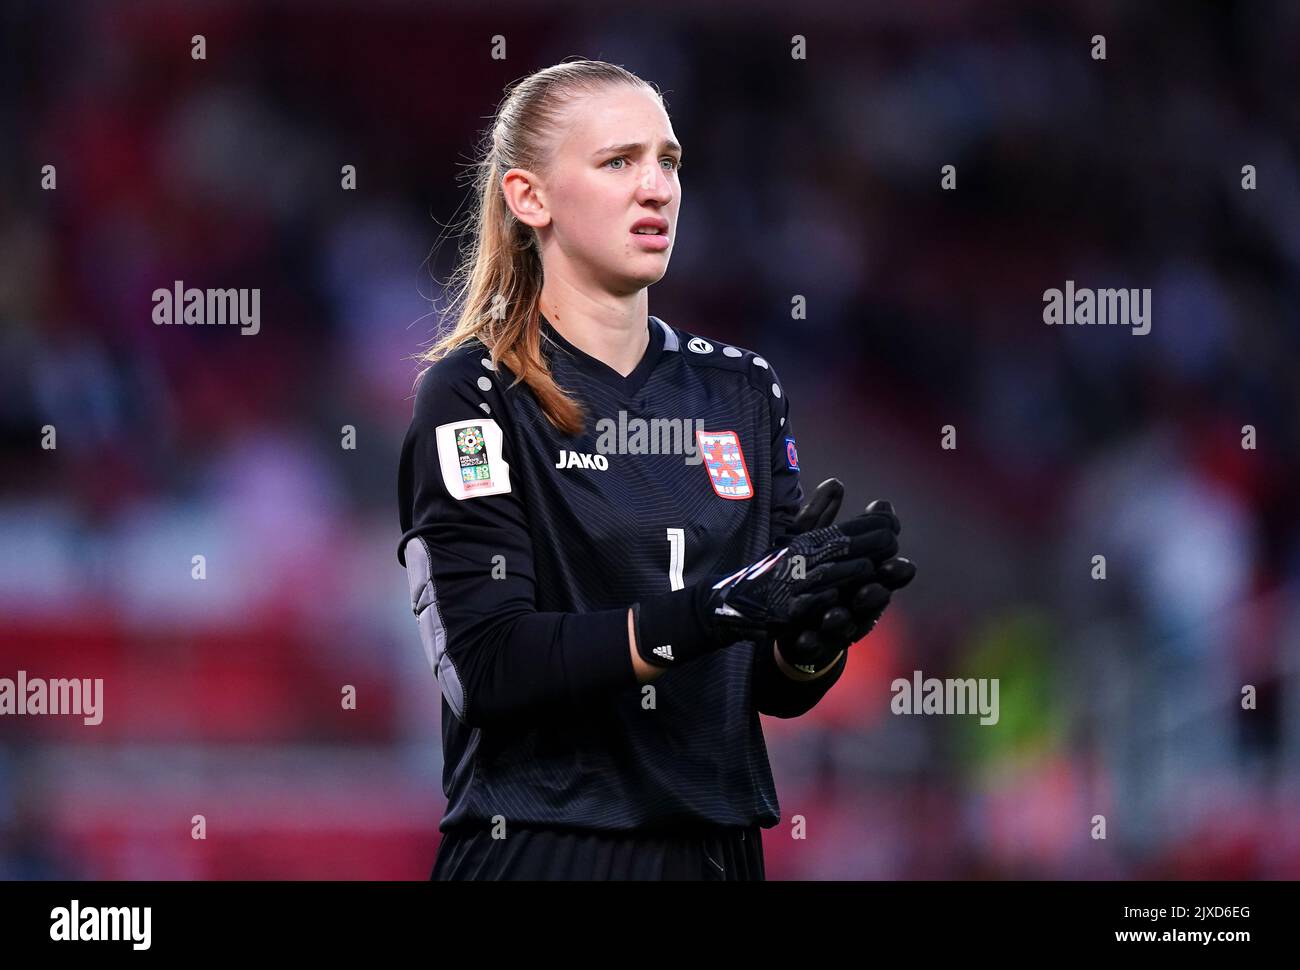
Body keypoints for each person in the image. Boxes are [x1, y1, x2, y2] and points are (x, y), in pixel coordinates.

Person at [397, 59, 915, 880]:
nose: (657, 188)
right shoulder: (473, 393)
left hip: (719, 849)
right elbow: (488, 667)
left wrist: (812, 639)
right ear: (529, 197)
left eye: (668, 161)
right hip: (544, 850)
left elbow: (768, 687)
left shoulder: (741, 390)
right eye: (618, 162)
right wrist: (720, 608)